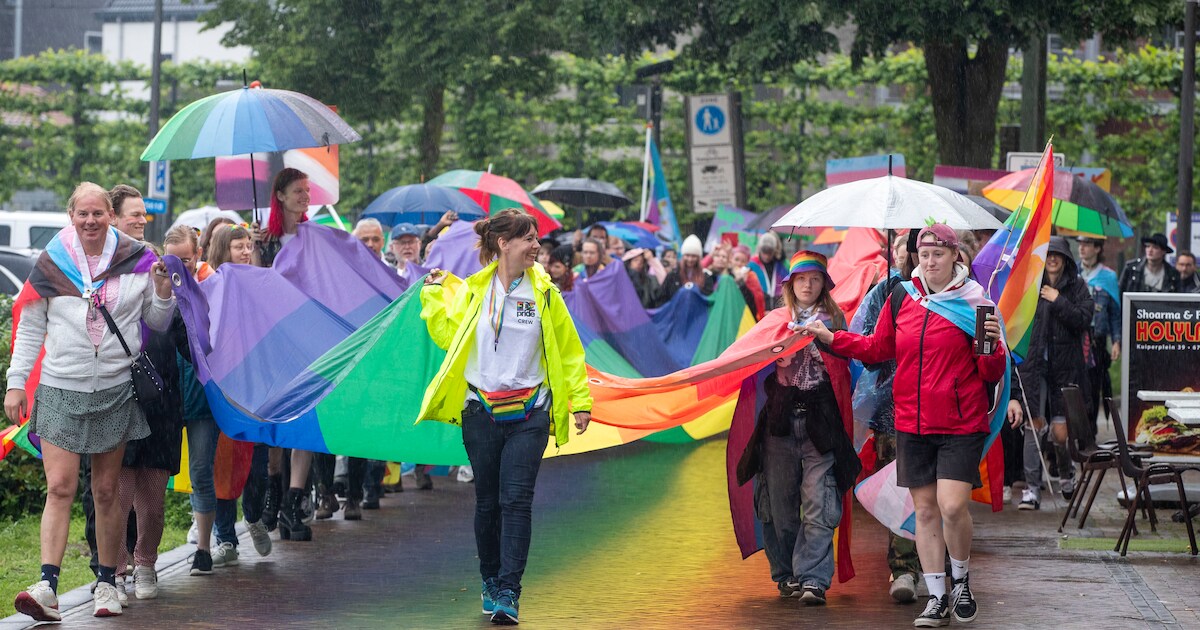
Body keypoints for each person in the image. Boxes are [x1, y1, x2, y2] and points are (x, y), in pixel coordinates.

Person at [804, 223, 1006, 628]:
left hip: (961, 423)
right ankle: (937, 598)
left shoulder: (976, 303)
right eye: (924, 255)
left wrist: (992, 345)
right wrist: (832, 338)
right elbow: (877, 348)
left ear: (955, 256)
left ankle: (961, 581)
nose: (929, 262)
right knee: (925, 512)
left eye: (938, 254)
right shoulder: (902, 296)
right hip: (911, 422)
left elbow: (990, 372)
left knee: (952, 506)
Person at [8, 182, 176, 620]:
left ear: (110, 216)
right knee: (60, 488)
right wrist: (16, 381)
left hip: (115, 388)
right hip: (60, 386)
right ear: (72, 216)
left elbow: (156, 322)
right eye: (82, 213)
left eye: (98, 213)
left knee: (105, 491)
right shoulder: (52, 261)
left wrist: (162, 291)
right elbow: (31, 326)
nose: (90, 221)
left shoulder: (137, 259)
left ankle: (106, 582)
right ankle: (47, 586)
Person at [420, 209, 592, 625]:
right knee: (488, 503)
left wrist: (580, 400)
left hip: (530, 413)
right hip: (480, 411)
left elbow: (569, 350)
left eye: (536, 239)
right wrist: (433, 295)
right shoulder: (473, 290)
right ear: (503, 243)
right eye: (529, 239)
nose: (537, 246)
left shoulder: (545, 294)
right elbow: (446, 335)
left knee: (516, 500)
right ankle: (490, 580)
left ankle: (510, 591)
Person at [741, 251, 860, 605]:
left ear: (824, 284)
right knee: (779, 506)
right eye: (801, 279)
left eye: (815, 278)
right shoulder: (774, 321)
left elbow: (847, 368)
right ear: (790, 285)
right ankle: (787, 573)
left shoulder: (835, 321)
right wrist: (775, 356)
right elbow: (748, 366)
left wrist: (824, 345)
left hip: (820, 426)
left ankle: (813, 579)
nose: (808, 285)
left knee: (818, 502)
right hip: (779, 425)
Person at [847, 230, 924, 603]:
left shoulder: (956, 294)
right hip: (894, 413)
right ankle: (904, 567)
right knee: (900, 491)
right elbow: (867, 347)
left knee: (937, 494)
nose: (921, 257)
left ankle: (939, 563)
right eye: (915, 250)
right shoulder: (886, 293)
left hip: (943, 416)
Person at [113, 240, 188, 602]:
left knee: (153, 504)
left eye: (153, 265)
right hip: (120, 408)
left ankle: (145, 563)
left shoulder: (169, 305)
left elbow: (196, 348)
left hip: (162, 412)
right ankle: (114, 571)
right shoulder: (118, 302)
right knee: (118, 498)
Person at [204, 224, 275, 566]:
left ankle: (254, 516)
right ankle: (226, 539)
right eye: (238, 246)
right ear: (223, 250)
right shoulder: (211, 286)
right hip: (224, 389)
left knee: (258, 465)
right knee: (224, 467)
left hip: (257, 389)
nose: (246, 252)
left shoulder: (260, 284)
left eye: (248, 245)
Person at [254, 168, 317, 542]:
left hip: (310, 340)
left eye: (307, 190)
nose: (305, 196)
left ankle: (294, 503)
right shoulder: (266, 241)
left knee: (305, 421)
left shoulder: (315, 239)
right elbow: (255, 289)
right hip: (276, 342)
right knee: (276, 424)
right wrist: (254, 251)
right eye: (298, 190)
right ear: (279, 195)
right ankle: (274, 495)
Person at [1012, 236, 1093, 509]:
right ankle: (1032, 489)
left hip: (1066, 369)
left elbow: (1083, 319)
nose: (1053, 259)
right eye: (1048, 254)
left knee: (1060, 433)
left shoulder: (1077, 287)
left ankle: (1066, 474)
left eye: (1058, 255)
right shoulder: (1031, 284)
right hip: (1035, 367)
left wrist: (1058, 300)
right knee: (1033, 427)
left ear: (1066, 259)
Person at [1077, 236, 1122, 430]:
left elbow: (1115, 313)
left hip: (1097, 339)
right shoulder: (1073, 272)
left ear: (1097, 248)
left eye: (1087, 244)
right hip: (1075, 338)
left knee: (1094, 386)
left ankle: (1091, 431)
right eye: (1080, 244)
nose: (1082, 248)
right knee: (1074, 386)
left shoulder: (1108, 277)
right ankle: (1076, 430)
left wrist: (1117, 341)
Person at [660, 235, 714, 299]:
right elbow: (662, 297)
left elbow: (708, 297)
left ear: (698, 257)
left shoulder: (706, 276)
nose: (690, 259)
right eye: (687, 255)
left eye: (693, 256)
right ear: (683, 256)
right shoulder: (673, 275)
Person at [748, 232, 787, 311]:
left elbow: (786, 285)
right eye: (764, 252)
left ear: (774, 251)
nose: (767, 256)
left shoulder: (780, 266)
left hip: (776, 308)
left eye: (770, 253)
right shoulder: (751, 265)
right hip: (758, 309)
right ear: (759, 250)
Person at [731, 244, 766, 320]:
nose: (739, 263)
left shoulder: (751, 277)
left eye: (743, 261)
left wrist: (742, 283)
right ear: (731, 259)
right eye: (736, 259)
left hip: (745, 316)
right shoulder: (727, 274)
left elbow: (755, 301)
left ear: (747, 263)